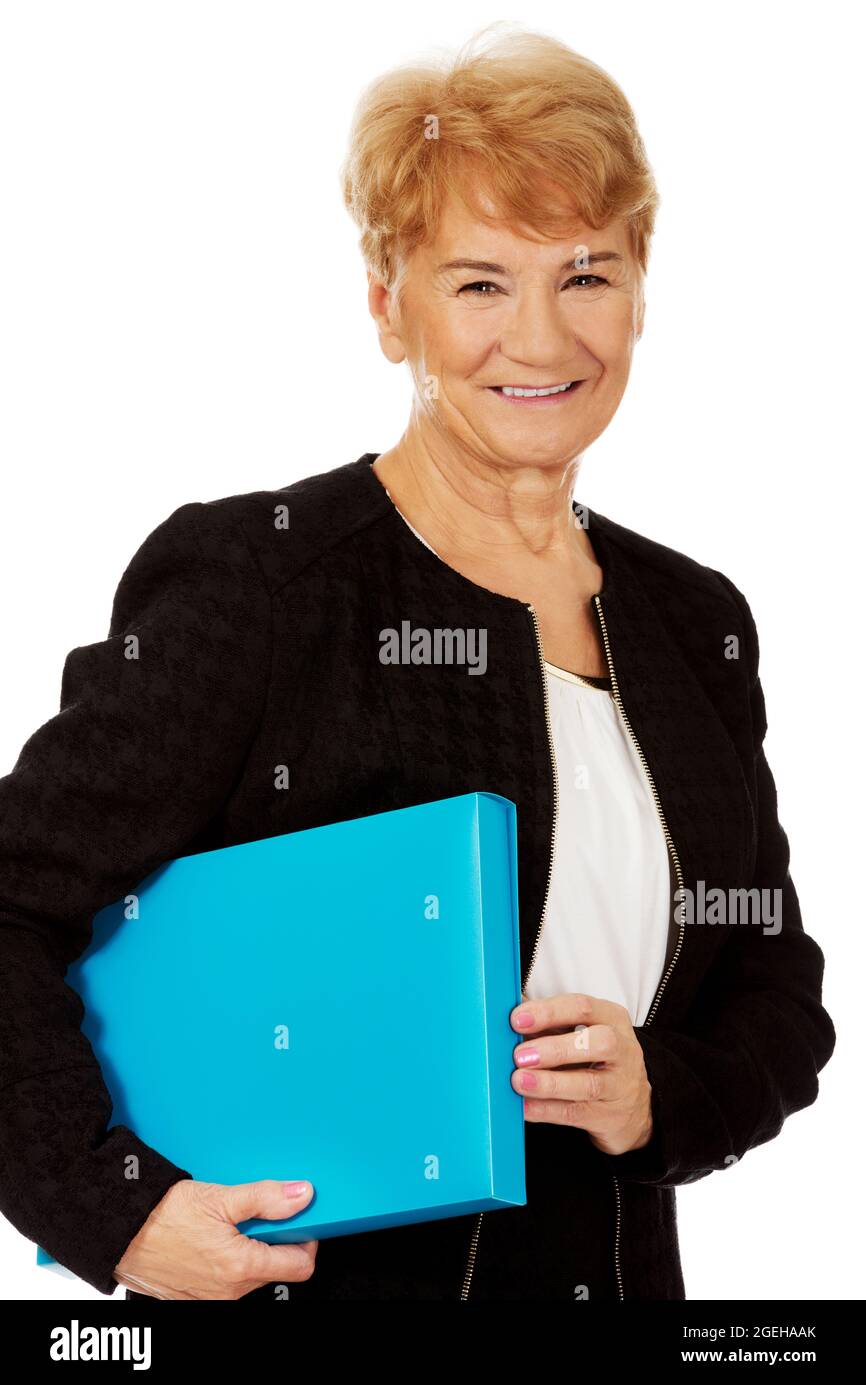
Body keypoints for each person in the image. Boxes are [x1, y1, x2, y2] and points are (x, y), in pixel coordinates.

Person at [0, 25, 835, 1301]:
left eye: (587, 274)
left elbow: (775, 986)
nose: (543, 339)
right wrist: (111, 1207)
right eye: (480, 282)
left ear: (644, 289)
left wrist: (660, 1090)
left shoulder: (690, 621)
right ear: (388, 304)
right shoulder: (261, 582)